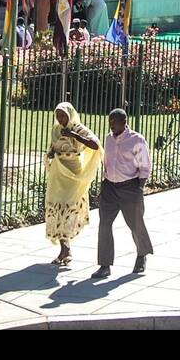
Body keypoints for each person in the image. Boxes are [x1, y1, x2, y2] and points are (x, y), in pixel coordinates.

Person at [92, 109, 154, 279]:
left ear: (124, 121)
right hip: (110, 188)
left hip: (130, 187)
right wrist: (104, 187)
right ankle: (104, 265)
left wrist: (138, 189)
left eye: (114, 122)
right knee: (104, 224)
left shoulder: (137, 140)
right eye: (110, 121)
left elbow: (145, 167)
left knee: (135, 224)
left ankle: (141, 256)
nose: (111, 125)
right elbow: (107, 163)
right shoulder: (108, 138)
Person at [44, 102, 102, 266]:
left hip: (73, 172)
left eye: (63, 116)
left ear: (70, 115)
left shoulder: (78, 128)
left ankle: (67, 246)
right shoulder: (55, 129)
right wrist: (51, 152)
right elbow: (53, 146)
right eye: (58, 116)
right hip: (58, 172)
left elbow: (95, 144)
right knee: (56, 206)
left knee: (70, 207)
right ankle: (64, 248)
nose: (60, 119)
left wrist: (74, 136)